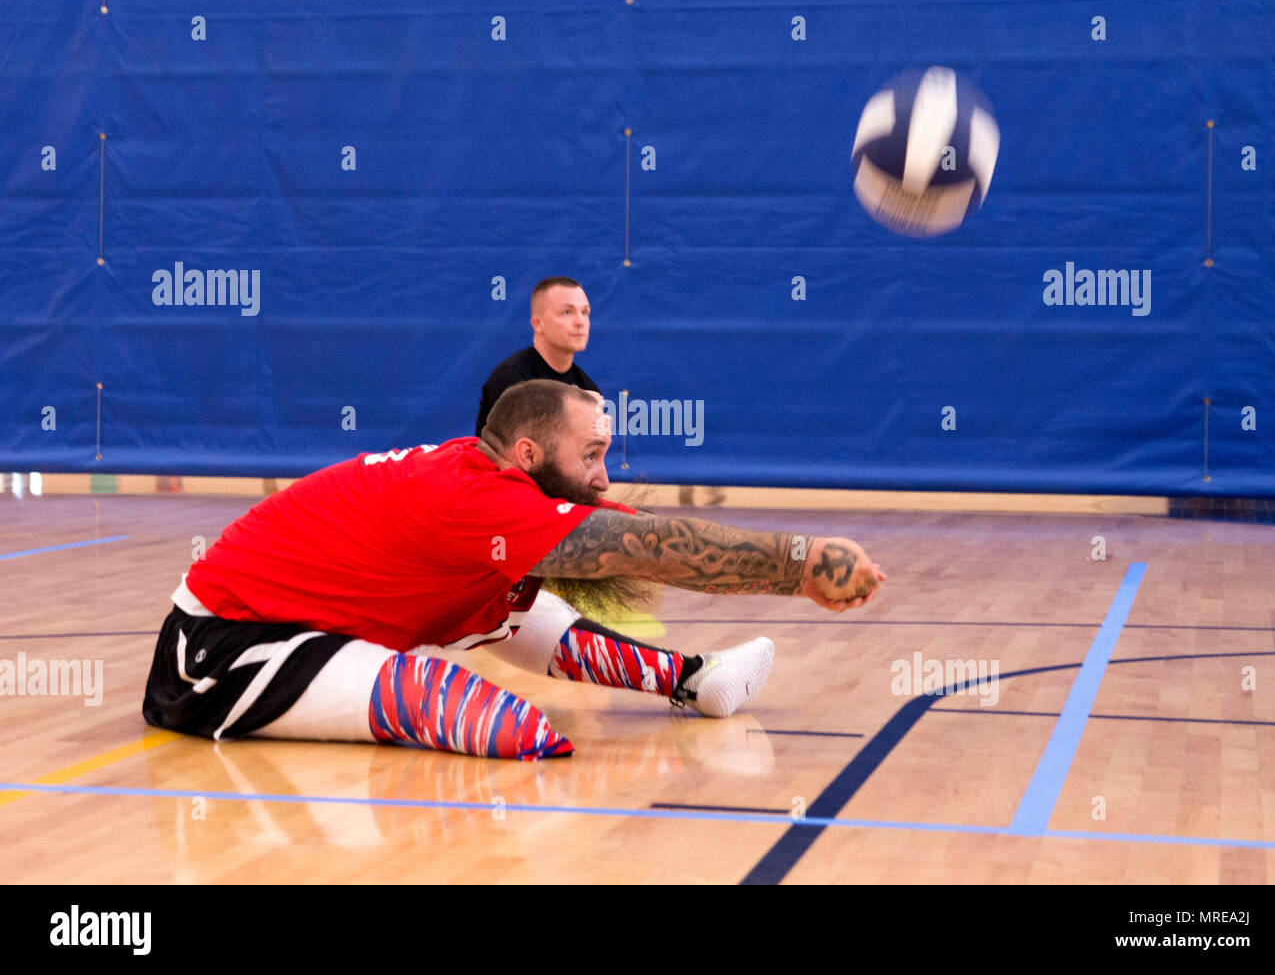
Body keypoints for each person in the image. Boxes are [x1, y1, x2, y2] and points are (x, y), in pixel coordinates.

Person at [143, 380, 886, 761]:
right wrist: (798, 562)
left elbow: (645, 536)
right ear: (529, 456)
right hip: (220, 650)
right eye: (590, 456)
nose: (603, 476)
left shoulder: (494, 491)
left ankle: (695, 678)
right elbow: (657, 548)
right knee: (502, 725)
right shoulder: (475, 499)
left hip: (311, 627)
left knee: (516, 603)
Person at [475, 276, 600, 437]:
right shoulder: (511, 379)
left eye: (585, 312)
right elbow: (518, 453)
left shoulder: (587, 388)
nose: (580, 322)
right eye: (567, 312)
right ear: (537, 324)